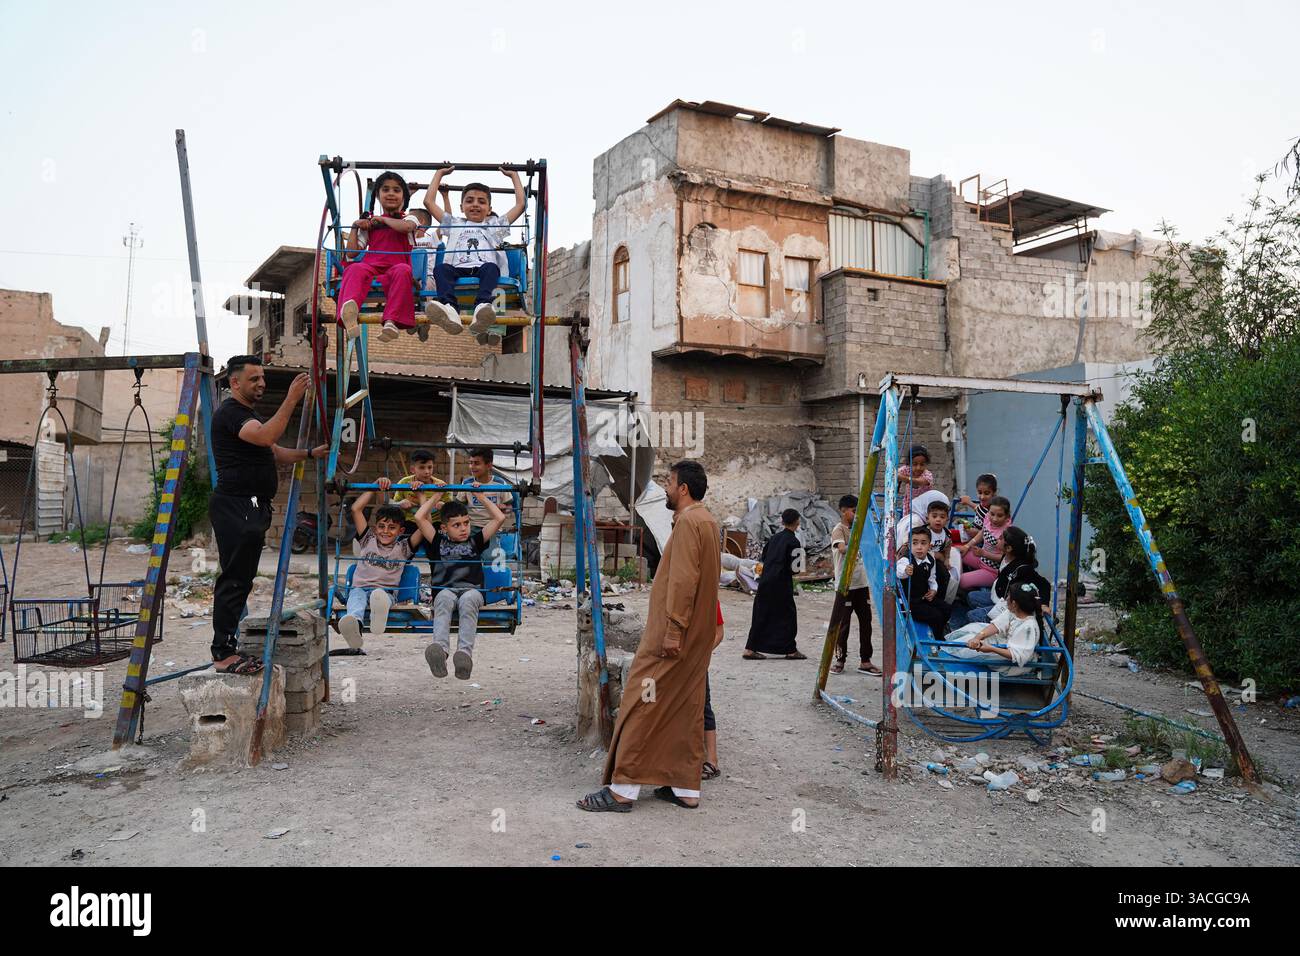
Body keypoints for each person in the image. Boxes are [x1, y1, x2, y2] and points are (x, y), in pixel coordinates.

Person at [576, 460, 721, 812]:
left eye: (669, 483)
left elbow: (684, 581)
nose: (665, 489)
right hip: (697, 638)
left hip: (673, 639)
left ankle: (623, 789)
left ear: (683, 488)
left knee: (642, 700)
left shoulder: (689, 522)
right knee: (684, 708)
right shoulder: (708, 521)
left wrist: (672, 631)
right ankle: (686, 788)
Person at [207, 356, 327, 674]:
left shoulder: (249, 416)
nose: (261, 383)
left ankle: (227, 648)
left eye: (262, 378)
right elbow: (266, 438)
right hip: (237, 505)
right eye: (253, 379)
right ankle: (222, 653)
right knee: (234, 579)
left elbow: (274, 451)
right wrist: (291, 398)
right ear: (235, 383)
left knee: (242, 580)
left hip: (252, 506)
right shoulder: (231, 414)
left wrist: (310, 453)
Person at [424, 166, 526, 344]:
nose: (475, 205)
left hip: (482, 268)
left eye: (481, 201)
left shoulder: (494, 225)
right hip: (458, 269)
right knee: (441, 269)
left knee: (491, 268)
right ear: (462, 207)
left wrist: (514, 176)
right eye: (469, 201)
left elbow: (520, 205)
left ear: (489, 208)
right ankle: (450, 308)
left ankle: (482, 305)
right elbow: (429, 202)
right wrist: (439, 174)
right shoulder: (454, 223)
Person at [414, 487, 506, 681]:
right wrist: (437, 496)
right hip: (445, 589)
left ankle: (464, 655)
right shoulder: (436, 542)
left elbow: (499, 518)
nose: (464, 528)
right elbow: (420, 517)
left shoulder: (476, 541)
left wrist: (480, 497)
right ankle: (440, 650)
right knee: (443, 600)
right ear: (444, 528)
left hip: (471, 590)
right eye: (456, 525)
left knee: (469, 601)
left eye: (466, 523)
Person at [337, 493, 437, 652]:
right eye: (381, 526)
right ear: (375, 528)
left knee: (380, 594)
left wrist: (422, 497)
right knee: (356, 596)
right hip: (360, 588)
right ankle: (355, 624)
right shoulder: (367, 540)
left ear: (401, 530)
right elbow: (356, 509)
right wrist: (375, 486)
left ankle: (379, 611)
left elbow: (426, 525)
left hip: (386, 592)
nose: (385, 531)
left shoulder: (404, 548)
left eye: (392, 528)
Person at [336, 171, 419, 343]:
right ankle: (349, 315)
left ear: (403, 197)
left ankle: (391, 321)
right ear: (378, 195)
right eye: (385, 190)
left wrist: (382, 220)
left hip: (397, 265)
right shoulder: (372, 223)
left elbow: (406, 228)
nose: (390, 193)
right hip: (373, 265)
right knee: (354, 268)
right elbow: (352, 253)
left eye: (396, 190)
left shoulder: (409, 217)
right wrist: (355, 227)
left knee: (403, 271)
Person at [951, 526, 1054, 629]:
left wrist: (1044, 604)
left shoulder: (1022, 569)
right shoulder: (1006, 557)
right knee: (971, 596)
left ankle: (996, 627)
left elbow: (1044, 584)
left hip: (1006, 607)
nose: (997, 539)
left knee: (972, 615)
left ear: (1008, 548)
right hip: (997, 596)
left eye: (1000, 538)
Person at [942, 582, 1044, 676]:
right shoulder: (1014, 611)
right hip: (1004, 641)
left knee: (968, 648)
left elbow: (1016, 655)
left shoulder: (1028, 628)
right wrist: (978, 637)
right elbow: (996, 625)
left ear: (1014, 604)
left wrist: (990, 648)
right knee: (974, 628)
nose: (1006, 598)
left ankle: (944, 652)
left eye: (1008, 596)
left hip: (1012, 662)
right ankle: (949, 644)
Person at [743, 508, 806, 660]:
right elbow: (796, 568)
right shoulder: (794, 541)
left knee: (761, 614)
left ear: (782, 521)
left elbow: (764, 557)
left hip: (765, 581)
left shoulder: (774, 538)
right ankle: (790, 650)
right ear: (797, 522)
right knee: (787, 615)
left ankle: (750, 649)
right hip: (781, 584)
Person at [829, 495, 877, 675]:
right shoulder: (839, 530)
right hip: (845, 586)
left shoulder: (861, 529)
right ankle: (839, 660)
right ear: (843, 511)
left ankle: (865, 661)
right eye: (854, 511)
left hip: (861, 585)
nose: (857, 515)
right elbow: (842, 548)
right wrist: (860, 541)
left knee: (866, 623)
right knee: (843, 625)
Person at [376, 449, 449, 533]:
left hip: (435, 523)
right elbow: (393, 505)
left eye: (430, 467)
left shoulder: (440, 485)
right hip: (410, 522)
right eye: (422, 467)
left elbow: (450, 509)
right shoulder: (404, 483)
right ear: (412, 469)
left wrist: (444, 507)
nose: (427, 471)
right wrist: (400, 504)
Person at [897, 525, 950, 634]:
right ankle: (938, 638)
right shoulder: (906, 560)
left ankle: (940, 628)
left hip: (924, 598)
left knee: (947, 608)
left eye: (923, 543)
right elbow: (899, 572)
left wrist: (934, 590)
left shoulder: (930, 559)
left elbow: (932, 578)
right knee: (936, 616)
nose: (919, 547)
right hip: (910, 602)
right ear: (909, 545)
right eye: (915, 543)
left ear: (929, 546)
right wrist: (906, 571)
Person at [957, 494, 1011, 591]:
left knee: (961, 581)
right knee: (956, 552)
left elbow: (1004, 558)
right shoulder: (987, 518)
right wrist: (967, 546)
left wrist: (984, 553)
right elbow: (982, 532)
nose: (994, 519)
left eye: (1000, 515)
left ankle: (970, 595)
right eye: (992, 514)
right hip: (981, 559)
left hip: (992, 571)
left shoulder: (1007, 533)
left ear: (1007, 516)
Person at [460, 446, 515, 532]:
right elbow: (459, 506)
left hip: (494, 527)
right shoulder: (466, 483)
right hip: (471, 527)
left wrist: (505, 508)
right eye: (470, 463)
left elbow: (510, 507)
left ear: (489, 465)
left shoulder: (500, 483)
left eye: (476, 463)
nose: (472, 467)